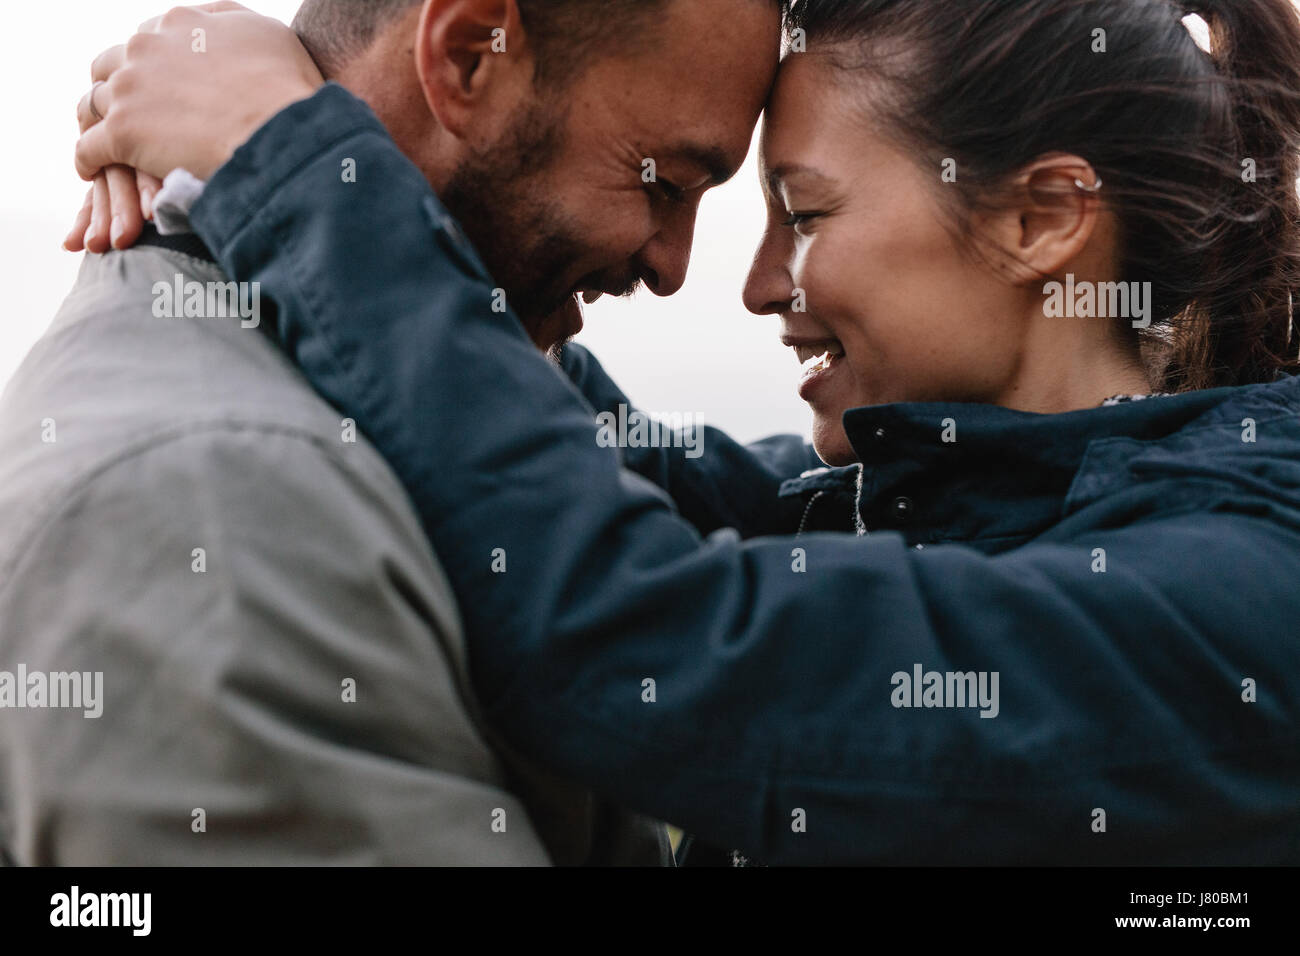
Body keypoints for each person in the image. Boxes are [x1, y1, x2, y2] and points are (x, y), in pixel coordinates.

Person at [76, 0, 1300, 864]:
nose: (758, 282)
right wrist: (262, 97)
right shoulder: (914, 505)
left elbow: (651, 630)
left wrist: (291, 168)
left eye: (802, 212)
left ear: (1044, 220)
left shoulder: (1242, 601)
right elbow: (552, 436)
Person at [0, 0, 787, 865]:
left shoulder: (370, 396)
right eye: (661, 183)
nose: (671, 265)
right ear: (465, 58)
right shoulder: (221, 514)